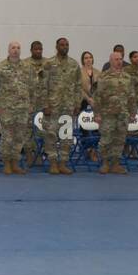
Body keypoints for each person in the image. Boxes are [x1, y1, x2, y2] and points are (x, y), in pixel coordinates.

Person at [0, 41, 32, 175]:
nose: (16, 50)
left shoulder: (27, 67)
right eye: (13, 48)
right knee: (7, 137)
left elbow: (32, 87)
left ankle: (15, 162)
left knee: (19, 137)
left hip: (23, 108)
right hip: (7, 108)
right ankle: (7, 163)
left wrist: (31, 104)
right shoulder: (0, 67)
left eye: (18, 48)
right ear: (8, 50)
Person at [94, 51, 136, 174]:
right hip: (108, 114)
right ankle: (105, 163)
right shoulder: (103, 77)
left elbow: (131, 96)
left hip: (123, 113)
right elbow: (98, 97)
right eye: (116, 59)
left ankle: (116, 164)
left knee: (120, 139)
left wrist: (133, 111)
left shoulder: (127, 77)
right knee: (106, 140)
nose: (119, 61)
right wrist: (97, 114)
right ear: (111, 61)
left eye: (121, 59)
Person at [43, 37, 80, 175]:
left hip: (68, 107)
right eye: (62, 45)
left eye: (67, 45)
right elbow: (42, 86)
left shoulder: (74, 64)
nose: (65, 47)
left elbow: (78, 86)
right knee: (50, 135)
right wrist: (45, 105)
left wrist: (77, 103)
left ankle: (63, 163)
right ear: (56, 47)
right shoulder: (49, 63)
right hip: (52, 107)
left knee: (66, 136)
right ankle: (53, 163)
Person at [23, 40, 46, 167]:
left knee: (42, 130)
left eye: (40, 49)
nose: (38, 51)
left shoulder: (48, 64)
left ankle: (40, 154)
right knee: (28, 131)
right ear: (31, 50)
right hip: (29, 103)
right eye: (36, 49)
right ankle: (29, 154)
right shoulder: (25, 64)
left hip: (43, 103)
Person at [80, 51, 101, 163]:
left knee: (96, 126)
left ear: (93, 59)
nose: (88, 60)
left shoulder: (98, 72)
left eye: (90, 57)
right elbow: (78, 88)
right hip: (83, 101)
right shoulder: (79, 72)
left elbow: (101, 87)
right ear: (82, 60)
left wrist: (94, 99)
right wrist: (88, 99)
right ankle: (86, 148)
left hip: (96, 102)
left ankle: (94, 149)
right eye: (86, 58)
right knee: (84, 127)